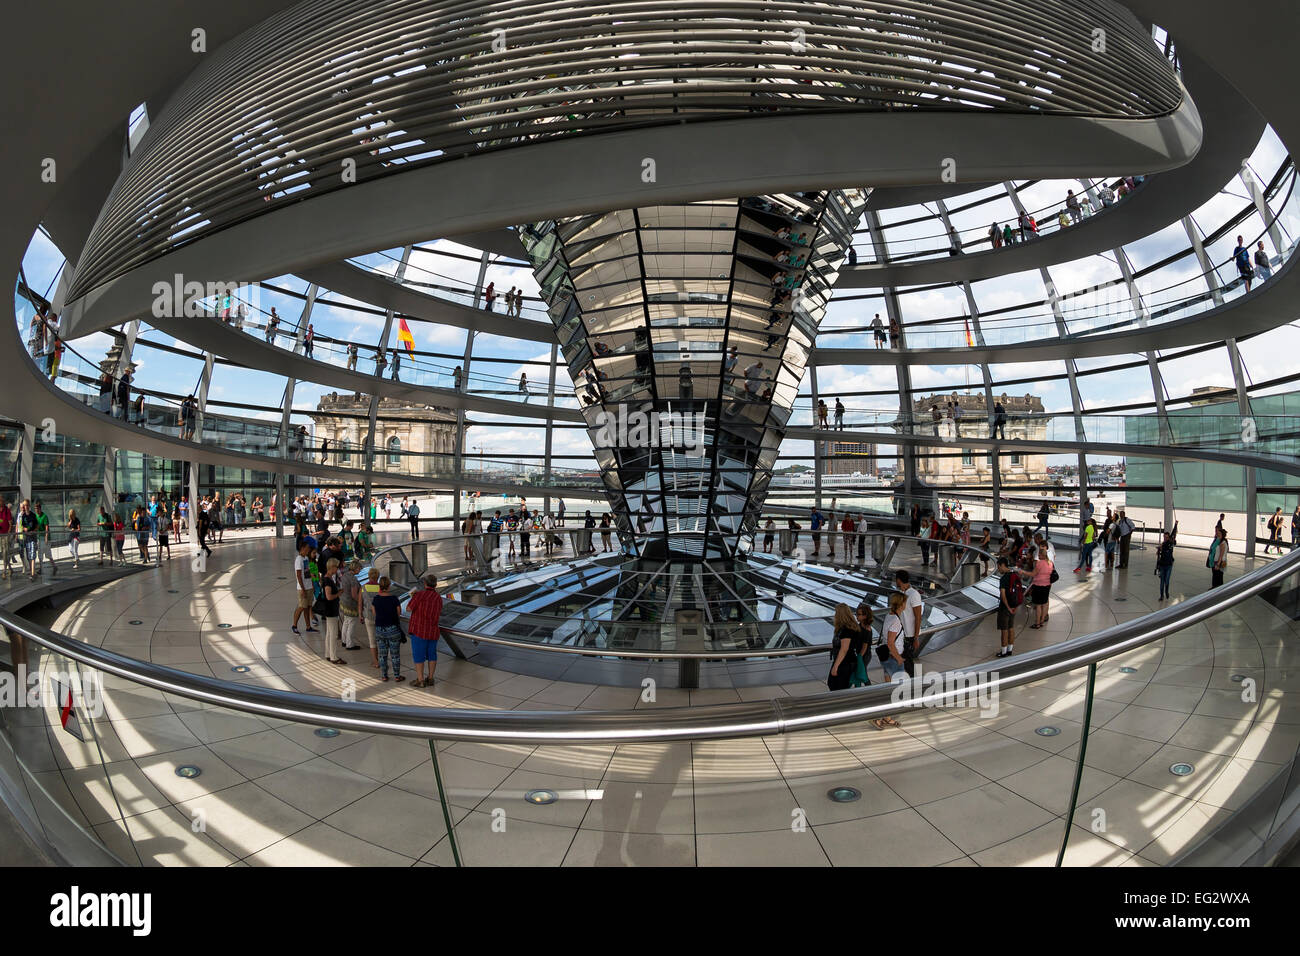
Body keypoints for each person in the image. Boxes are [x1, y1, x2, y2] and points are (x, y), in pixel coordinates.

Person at [406, 574, 443, 688]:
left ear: (425, 583)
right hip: (433, 631)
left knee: (419, 656)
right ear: (435, 584)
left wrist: (413, 597)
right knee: (432, 655)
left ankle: (420, 680)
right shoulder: (438, 598)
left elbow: (408, 609)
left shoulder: (419, 595)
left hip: (419, 630)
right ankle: (431, 678)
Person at [372, 576, 404, 682]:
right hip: (393, 629)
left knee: (382, 654)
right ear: (389, 586)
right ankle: (397, 676)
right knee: (395, 655)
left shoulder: (376, 599)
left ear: (380, 586)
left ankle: (384, 675)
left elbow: (374, 613)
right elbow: (399, 612)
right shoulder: (394, 599)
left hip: (380, 629)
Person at [826, 603, 862, 692]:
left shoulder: (846, 630)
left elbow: (844, 649)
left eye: (836, 613)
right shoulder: (846, 628)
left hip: (845, 663)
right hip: (845, 662)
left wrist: (836, 666)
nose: (835, 616)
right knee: (835, 684)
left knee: (836, 686)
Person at [894, 570, 923, 677]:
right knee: (907, 661)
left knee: (907, 661)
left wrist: (915, 638)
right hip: (904, 634)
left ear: (898, 580)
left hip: (910, 635)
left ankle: (917, 682)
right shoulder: (903, 594)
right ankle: (916, 681)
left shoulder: (914, 594)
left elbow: (918, 616)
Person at [319, 558, 345, 665]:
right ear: (332, 567)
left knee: (329, 633)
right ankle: (334, 657)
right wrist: (338, 594)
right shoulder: (328, 581)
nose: (337, 569)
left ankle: (328, 654)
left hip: (330, 610)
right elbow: (329, 597)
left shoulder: (327, 578)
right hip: (331, 610)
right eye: (336, 567)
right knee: (333, 634)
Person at [995, 557, 1022, 658]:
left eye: (998, 567)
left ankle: (1003, 652)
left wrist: (1007, 607)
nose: (998, 569)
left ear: (1002, 565)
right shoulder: (1014, 575)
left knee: (1004, 630)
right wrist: (1014, 607)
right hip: (1014, 606)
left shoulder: (1004, 578)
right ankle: (1010, 650)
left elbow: (1003, 595)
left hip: (1005, 608)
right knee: (1011, 628)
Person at [879, 592, 909, 683]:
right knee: (900, 686)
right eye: (905, 602)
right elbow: (890, 643)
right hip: (893, 657)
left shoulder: (889, 616)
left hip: (886, 655)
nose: (905, 604)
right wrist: (898, 658)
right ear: (901, 604)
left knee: (888, 682)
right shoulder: (896, 620)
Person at [291, 540, 316, 635]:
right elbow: (298, 575)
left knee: (308, 607)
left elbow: (307, 572)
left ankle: (308, 626)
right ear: (302, 548)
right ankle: (294, 625)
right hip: (303, 588)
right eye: (307, 548)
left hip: (309, 586)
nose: (309, 550)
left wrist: (312, 583)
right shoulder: (298, 560)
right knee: (301, 607)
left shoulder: (305, 558)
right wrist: (303, 589)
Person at [1026, 546, 1053, 629]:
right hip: (1047, 585)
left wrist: (1023, 572)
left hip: (1039, 586)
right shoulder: (1050, 563)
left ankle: (1037, 623)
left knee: (1038, 605)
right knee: (1044, 604)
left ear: (1041, 555)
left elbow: (1033, 574)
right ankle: (1041, 621)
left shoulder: (1039, 563)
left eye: (1039, 555)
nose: (1038, 556)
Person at [1156, 522, 1179, 601]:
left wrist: (1176, 525)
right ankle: (1161, 595)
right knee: (1162, 581)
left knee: (1167, 580)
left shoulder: (1170, 543)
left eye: (1167, 537)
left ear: (1169, 537)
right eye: (1164, 537)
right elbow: (1158, 556)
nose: (1165, 538)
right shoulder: (1162, 545)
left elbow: (1173, 533)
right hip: (1162, 565)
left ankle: (1166, 592)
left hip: (1169, 565)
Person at [16, 500, 37, 580]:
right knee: (29, 555)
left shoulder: (33, 515)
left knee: (32, 554)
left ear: (29, 506)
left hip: (33, 537)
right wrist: (26, 530)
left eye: (27, 505)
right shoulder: (23, 516)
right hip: (27, 537)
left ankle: (32, 574)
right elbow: (22, 526)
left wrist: (33, 531)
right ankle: (32, 572)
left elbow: (36, 525)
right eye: (25, 505)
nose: (26, 507)